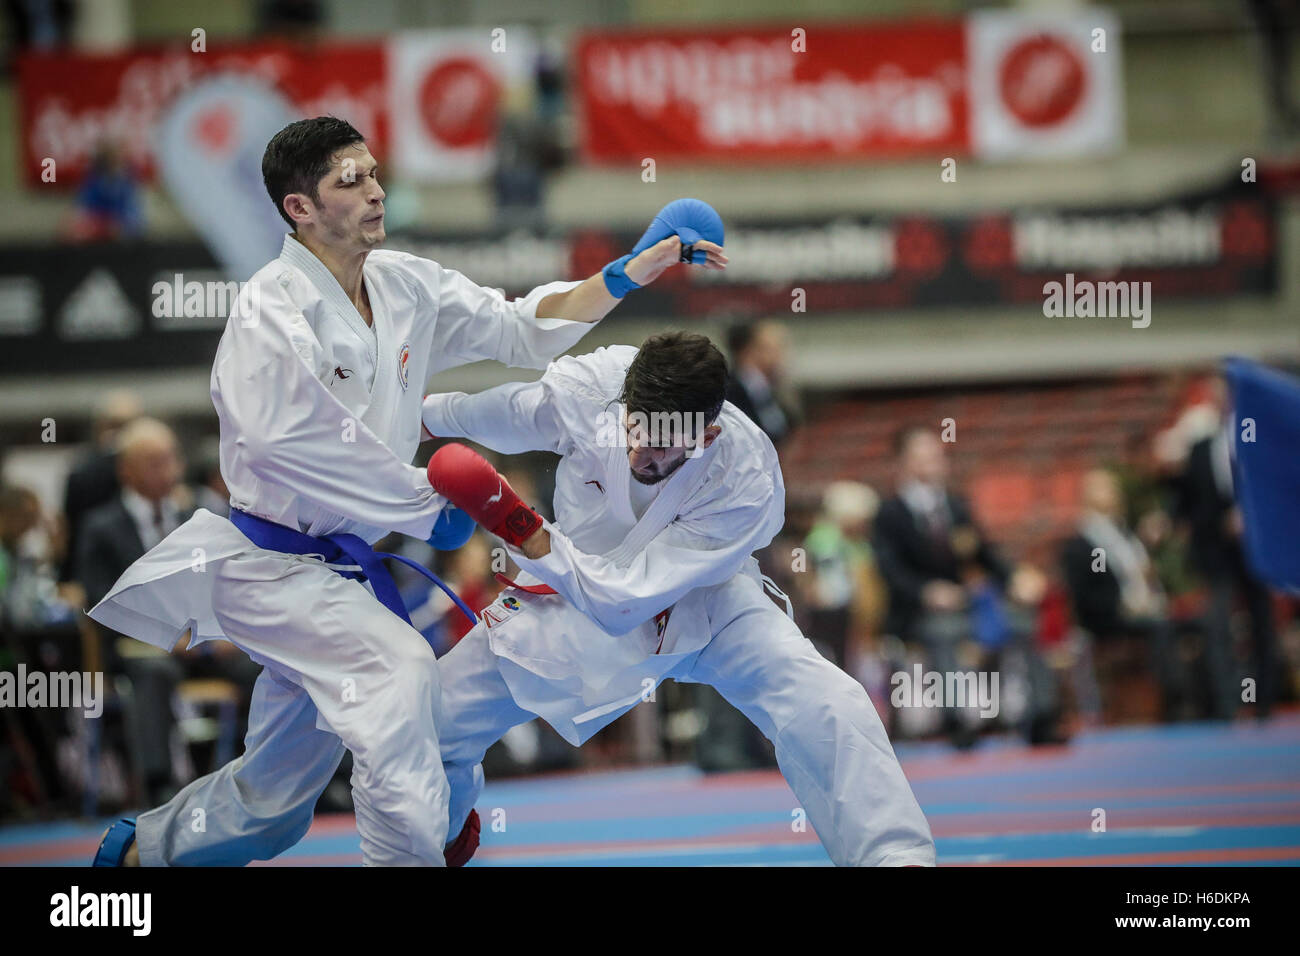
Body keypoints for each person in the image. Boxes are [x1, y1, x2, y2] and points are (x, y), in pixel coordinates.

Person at [87, 116, 724, 867]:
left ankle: (139, 859)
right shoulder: (270, 312)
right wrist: (426, 501)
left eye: (373, 174)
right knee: (400, 672)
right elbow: (290, 443)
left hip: (343, 573)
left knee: (276, 803)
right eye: (348, 182)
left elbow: (517, 329)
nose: (374, 192)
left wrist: (625, 273)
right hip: (270, 565)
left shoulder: (402, 284)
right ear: (300, 208)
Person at [425, 333, 935, 866]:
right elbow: (505, 412)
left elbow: (624, 602)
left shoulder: (745, 476)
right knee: (434, 718)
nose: (640, 452)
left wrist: (518, 524)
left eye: (665, 444)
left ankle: (896, 856)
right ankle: (445, 835)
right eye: (634, 429)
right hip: (570, 594)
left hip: (707, 604)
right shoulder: (590, 388)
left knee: (827, 701)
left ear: (708, 435)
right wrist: (422, 415)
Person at [725, 320, 798, 449]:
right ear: (749, 350)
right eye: (774, 348)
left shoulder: (770, 390)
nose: (780, 355)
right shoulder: (728, 392)